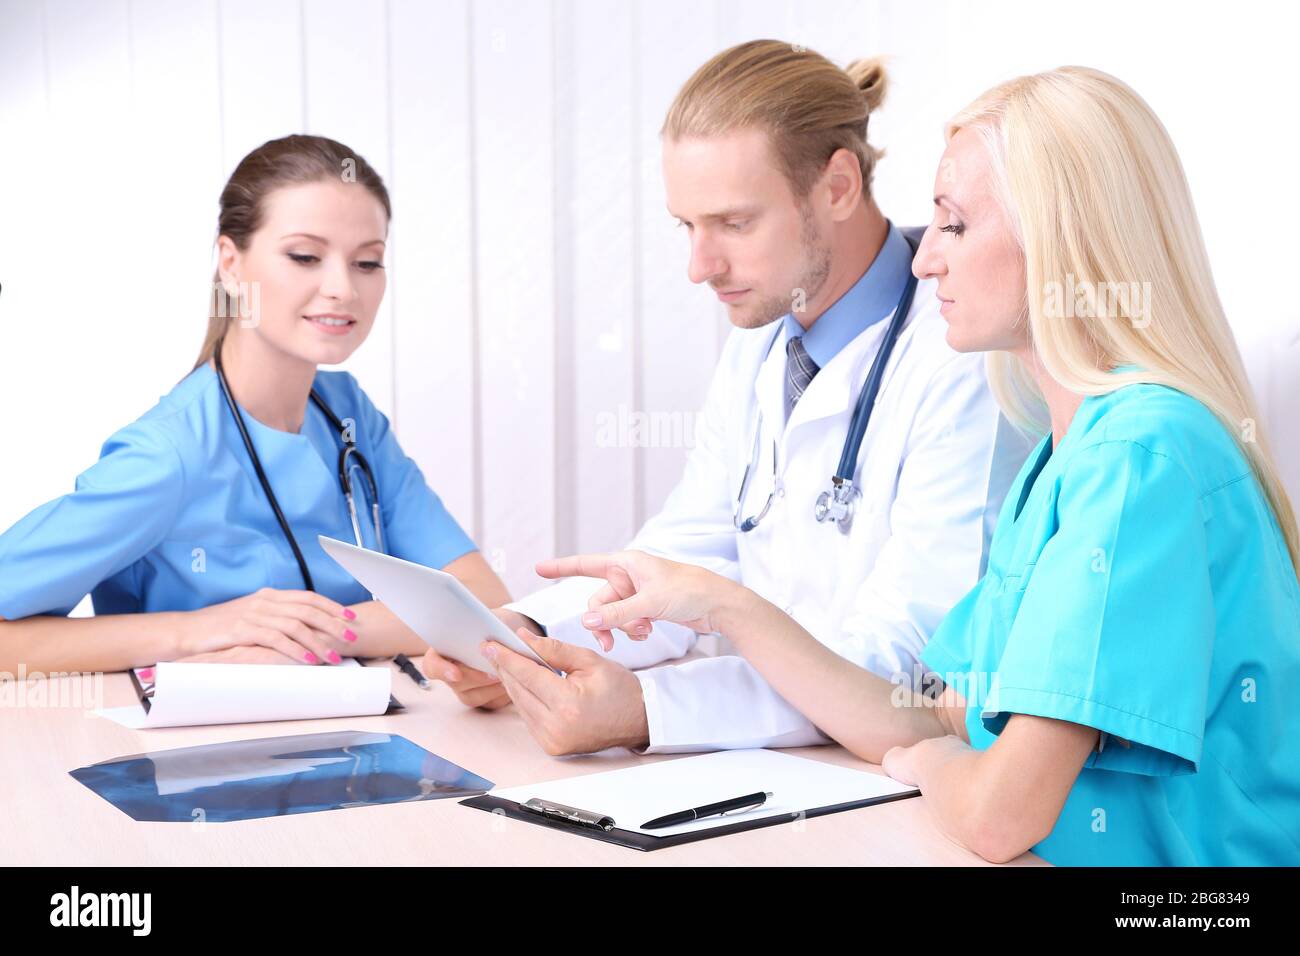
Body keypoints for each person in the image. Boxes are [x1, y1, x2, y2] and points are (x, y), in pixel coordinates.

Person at [490, 67, 1300, 865]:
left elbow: (994, 813)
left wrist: (933, 765)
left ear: (1063, 241)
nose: (923, 259)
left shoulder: (1134, 458)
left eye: (954, 225)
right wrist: (725, 608)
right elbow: (932, 710)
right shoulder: (1066, 458)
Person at [426, 40, 1031, 753]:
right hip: (784, 767)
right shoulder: (766, 333)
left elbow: (908, 670)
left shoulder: (967, 355)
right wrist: (531, 642)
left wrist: (649, 710)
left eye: (734, 223)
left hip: (893, 779)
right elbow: (694, 554)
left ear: (838, 187)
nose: (699, 266)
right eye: (687, 225)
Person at [0, 134, 510, 674]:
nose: (343, 288)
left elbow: (485, 601)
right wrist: (196, 631)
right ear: (231, 263)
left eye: (367, 262)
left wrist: (315, 631)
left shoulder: (348, 415)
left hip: (358, 717)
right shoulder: (170, 453)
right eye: (305, 256)